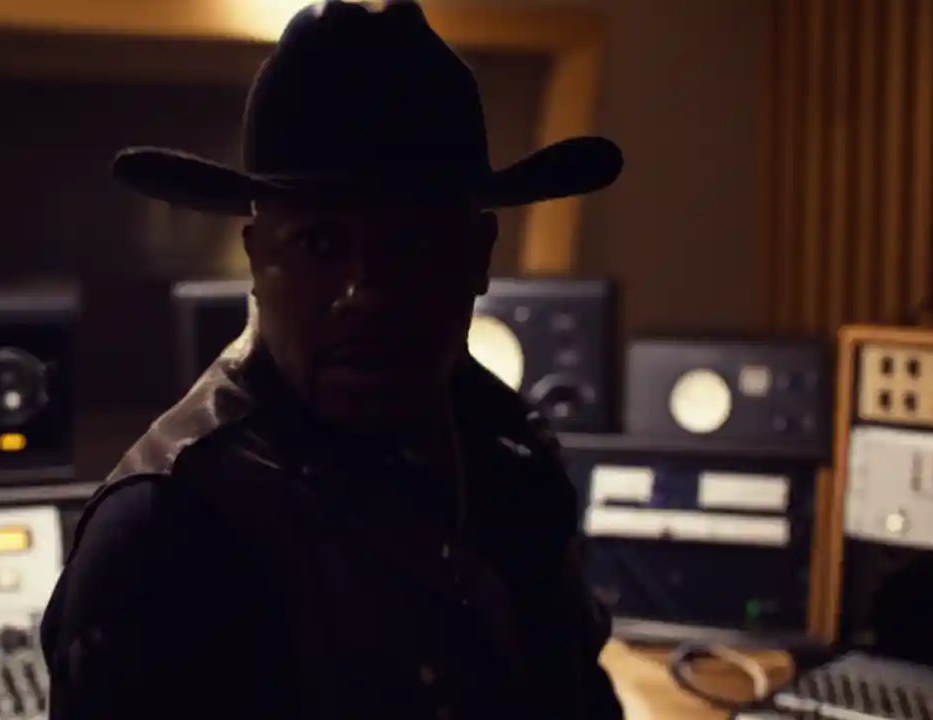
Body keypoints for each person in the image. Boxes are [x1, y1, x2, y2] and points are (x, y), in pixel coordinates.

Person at [40, 1, 625, 717]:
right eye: (319, 244)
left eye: (410, 245)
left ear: (477, 257)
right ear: (258, 259)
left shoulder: (513, 460)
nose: (364, 293)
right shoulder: (163, 533)